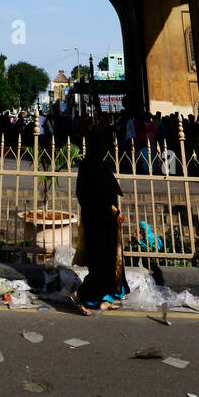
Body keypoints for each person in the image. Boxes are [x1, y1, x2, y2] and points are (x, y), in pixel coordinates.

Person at [72, 127, 128, 314]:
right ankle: (82, 296)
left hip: (96, 221)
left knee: (105, 260)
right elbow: (100, 195)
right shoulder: (96, 166)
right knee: (101, 262)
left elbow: (85, 194)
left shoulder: (87, 165)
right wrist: (114, 211)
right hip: (101, 223)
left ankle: (105, 298)